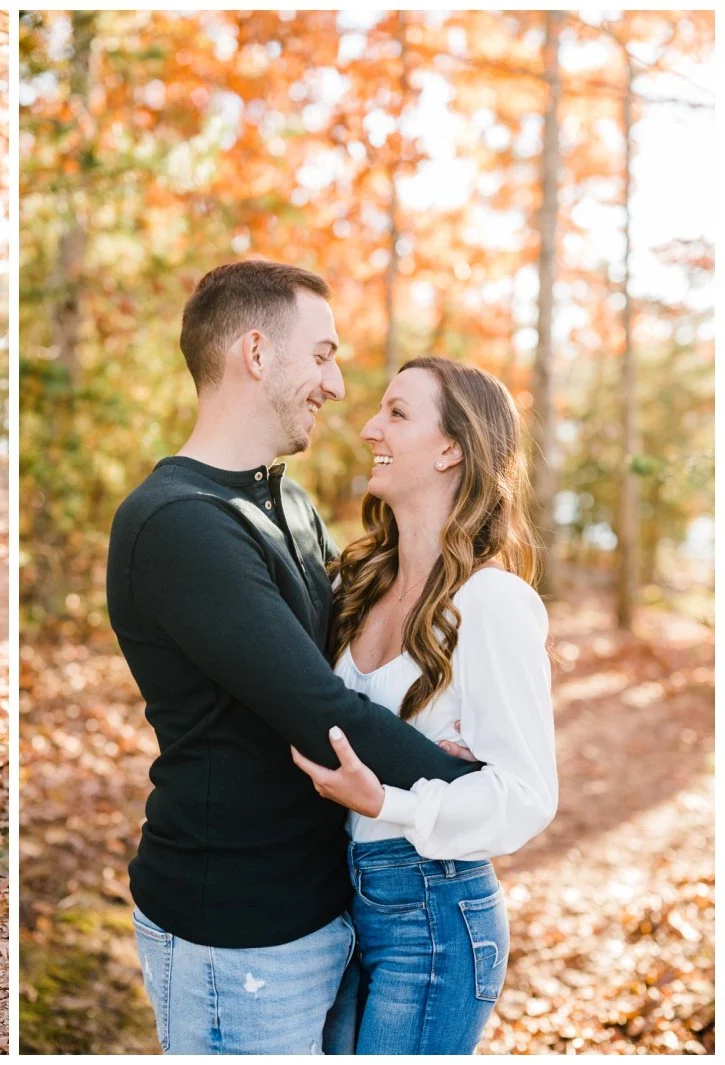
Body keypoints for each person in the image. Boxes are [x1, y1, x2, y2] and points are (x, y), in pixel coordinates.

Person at [106, 260, 484, 1054]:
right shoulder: (178, 523)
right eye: (321, 354)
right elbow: (322, 714)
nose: (336, 384)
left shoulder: (288, 501)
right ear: (255, 352)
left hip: (329, 904)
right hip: (237, 931)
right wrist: (474, 791)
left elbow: (358, 663)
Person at [289, 357, 556, 1054]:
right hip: (334, 900)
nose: (370, 427)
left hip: (433, 913)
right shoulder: (355, 581)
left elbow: (526, 794)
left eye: (397, 413)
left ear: (451, 448)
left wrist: (390, 800)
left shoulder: (491, 603)